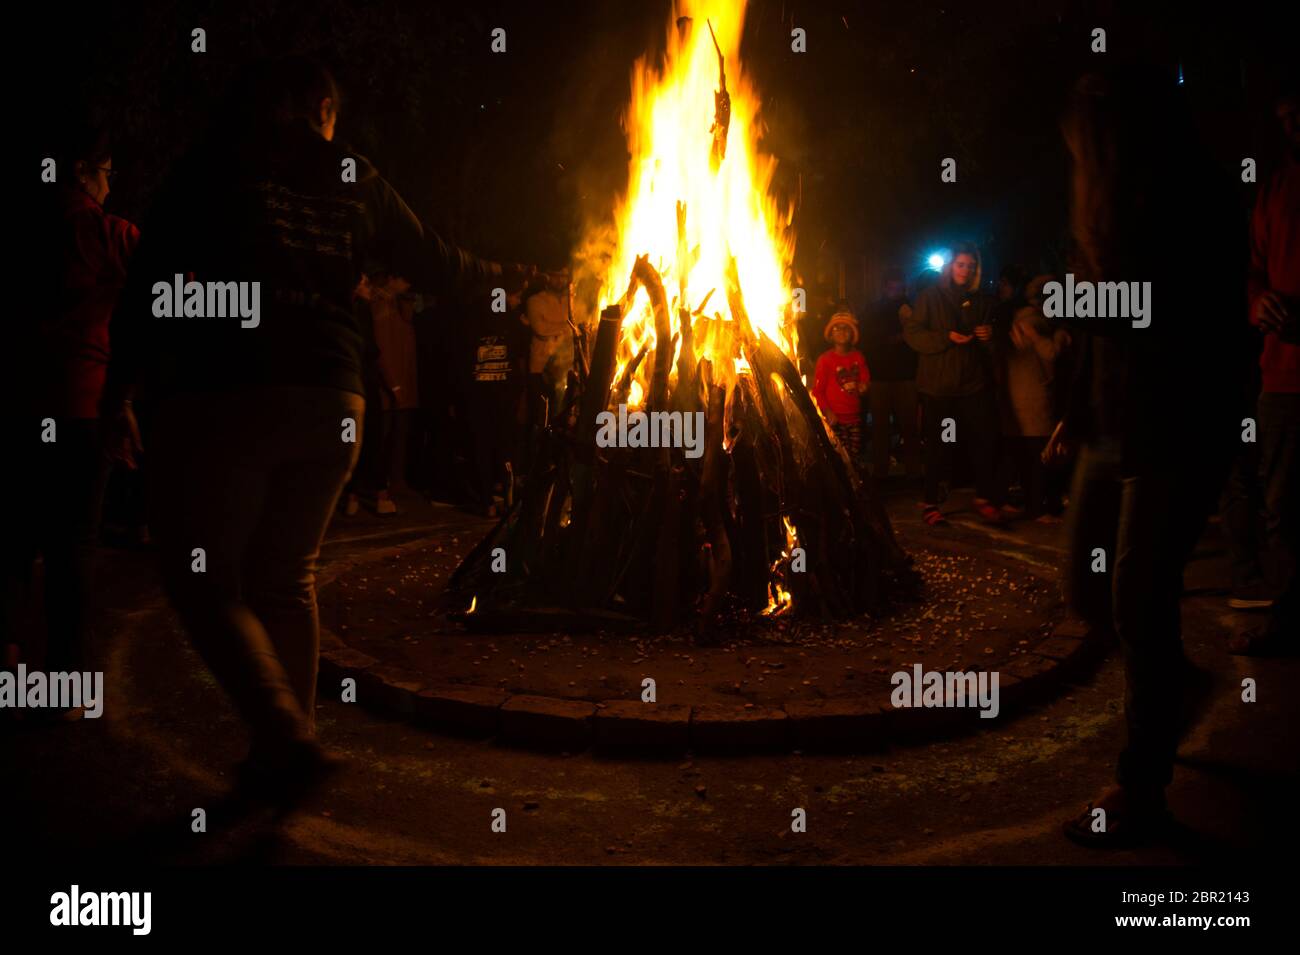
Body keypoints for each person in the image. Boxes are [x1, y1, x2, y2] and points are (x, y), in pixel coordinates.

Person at [100, 57, 521, 806]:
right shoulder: (351, 174)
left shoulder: (215, 164)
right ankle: (282, 749)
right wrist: (513, 274)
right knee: (285, 577)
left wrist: (119, 395)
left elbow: (149, 284)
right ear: (321, 107)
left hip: (235, 388)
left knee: (201, 576)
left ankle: (284, 737)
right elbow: (437, 259)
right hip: (332, 399)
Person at [1052, 67, 1252, 847]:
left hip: (1175, 425)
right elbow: (1093, 326)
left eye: (1086, 141)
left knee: (1139, 596)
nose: (1076, 156)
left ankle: (1143, 792)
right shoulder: (1101, 207)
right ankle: (1172, 681)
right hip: (1112, 423)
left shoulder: (1187, 199)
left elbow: (1167, 316)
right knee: (1086, 586)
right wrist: (1073, 409)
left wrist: (1085, 298)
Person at [6, 118, 138, 720]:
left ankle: (7, 661)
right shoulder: (105, 233)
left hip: (21, 406)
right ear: (85, 171)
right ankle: (62, 686)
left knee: (16, 537)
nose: (112, 183)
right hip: (81, 406)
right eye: (107, 172)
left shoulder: (25, 230)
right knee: (72, 546)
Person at [1230, 81, 1300, 656]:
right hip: (1281, 376)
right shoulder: (1273, 189)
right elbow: (1253, 269)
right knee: (1283, 505)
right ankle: (1288, 620)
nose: (1293, 127)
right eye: (1285, 118)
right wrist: (1257, 300)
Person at [902, 242, 1002, 525]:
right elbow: (913, 334)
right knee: (940, 443)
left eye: (971, 266)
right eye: (961, 265)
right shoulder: (930, 297)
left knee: (984, 438)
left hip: (972, 383)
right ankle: (930, 501)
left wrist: (988, 335)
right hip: (939, 386)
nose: (966, 271)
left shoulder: (980, 300)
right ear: (950, 267)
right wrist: (946, 337)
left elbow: (992, 346)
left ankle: (984, 496)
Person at [995, 274, 1069, 522]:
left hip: (1017, 397)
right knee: (1037, 456)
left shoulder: (1018, 320)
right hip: (1033, 397)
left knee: (1021, 454)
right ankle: (1038, 508)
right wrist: (1058, 337)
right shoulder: (1037, 323)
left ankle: (1014, 502)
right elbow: (1050, 354)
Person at [863, 267, 921, 481]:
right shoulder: (873, 310)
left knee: (909, 426)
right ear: (885, 287)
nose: (896, 290)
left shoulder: (912, 309)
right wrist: (896, 338)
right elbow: (867, 340)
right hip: (879, 377)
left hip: (906, 377)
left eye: (899, 287)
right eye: (892, 286)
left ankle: (913, 472)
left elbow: (919, 339)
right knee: (880, 428)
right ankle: (881, 472)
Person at [812, 309, 870, 467]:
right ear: (830, 334)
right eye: (837, 328)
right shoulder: (825, 360)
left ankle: (856, 486)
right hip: (836, 420)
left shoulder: (857, 356)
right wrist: (828, 412)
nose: (842, 331)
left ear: (853, 333)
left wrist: (864, 386)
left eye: (846, 328)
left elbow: (865, 378)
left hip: (855, 418)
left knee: (855, 456)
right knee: (839, 458)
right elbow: (817, 391)